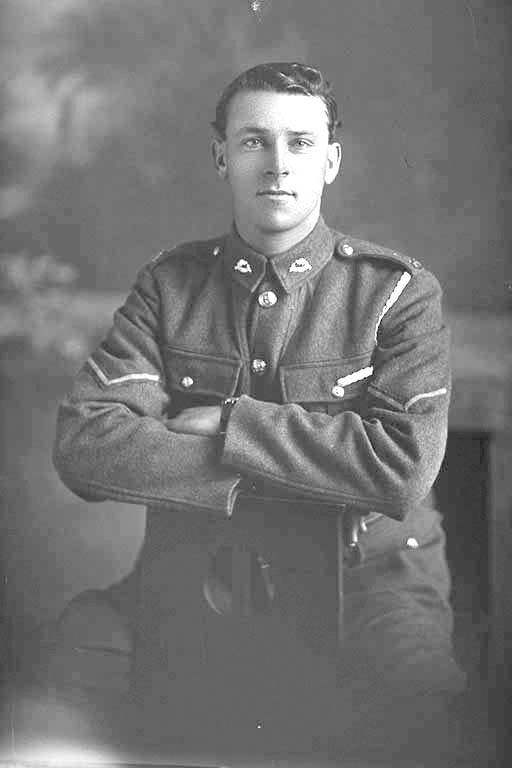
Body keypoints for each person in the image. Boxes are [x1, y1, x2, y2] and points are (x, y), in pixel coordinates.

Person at [52, 62, 471, 764]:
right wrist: (326, 460)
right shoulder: (170, 285)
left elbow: (400, 470)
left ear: (331, 160)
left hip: (368, 580)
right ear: (222, 156)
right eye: (254, 142)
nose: (278, 165)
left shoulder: (397, 293)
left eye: (300, 144)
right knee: (62, 678)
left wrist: (225, 425)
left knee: (428, 722)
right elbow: (87, 445)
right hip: (200, 571)